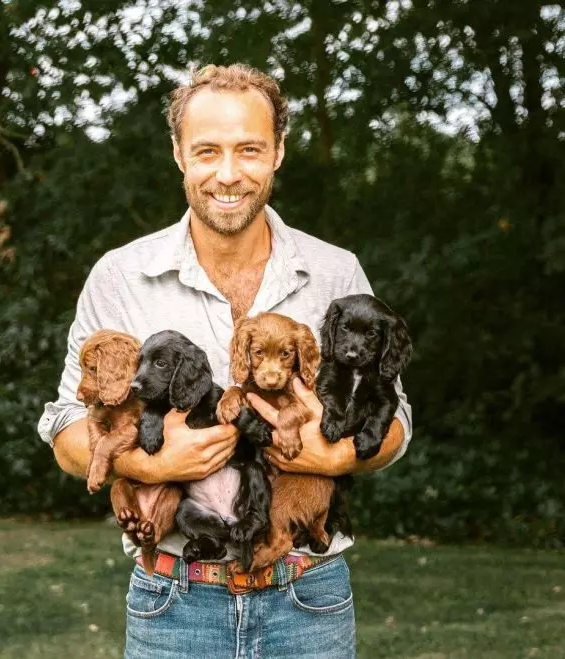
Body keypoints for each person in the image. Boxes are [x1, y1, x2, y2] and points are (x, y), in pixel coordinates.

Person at [38, 63, 412, 658]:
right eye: (208, 150)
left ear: (279, 152)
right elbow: (65, 429)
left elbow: (395, 420)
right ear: (180, 155)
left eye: (250, 150)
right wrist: (154, 466)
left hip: (307, 594)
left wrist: (333, 452)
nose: (229, 174)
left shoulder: (335, 270)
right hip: (174, 597)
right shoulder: (121, 274)